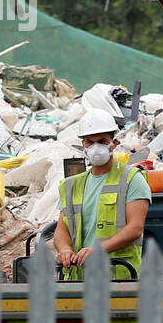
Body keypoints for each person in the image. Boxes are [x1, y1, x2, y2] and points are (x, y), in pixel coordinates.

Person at [52, 109, 150, 280]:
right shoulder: (71, 185)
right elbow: (61, 230)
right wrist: (65, 250)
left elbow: (135, 228)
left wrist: (99, 249)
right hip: (78, 280)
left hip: (118, 279)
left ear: (114, 143)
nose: (96, 147)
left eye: (102, 141)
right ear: (83, 144)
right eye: (90, 142)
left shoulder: (132, 179)